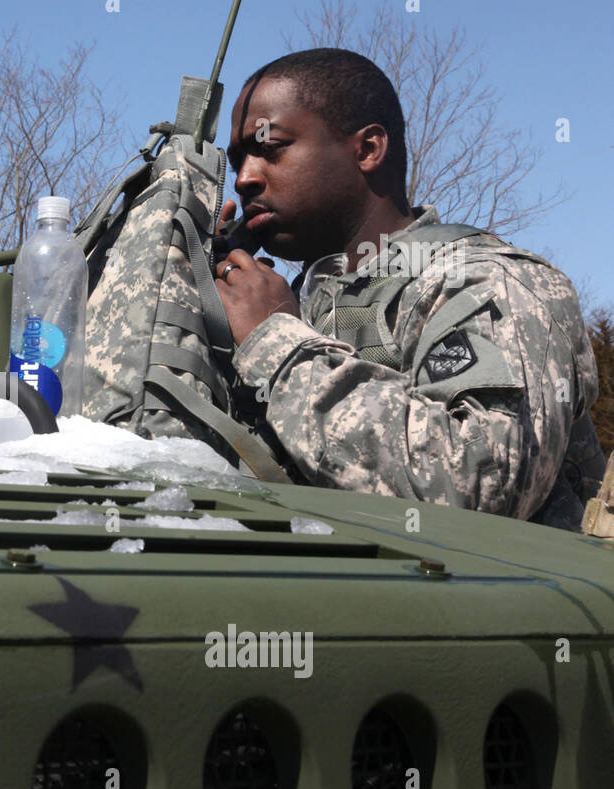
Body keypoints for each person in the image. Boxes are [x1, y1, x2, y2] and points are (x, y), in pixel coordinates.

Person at [212, 48, 606, 531]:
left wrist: (277, 344)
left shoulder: (483, 280)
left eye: (270, 149)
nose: (245, 177)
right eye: (237, 160)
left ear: (367, 150)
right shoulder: (295, 302)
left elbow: (480, 489)